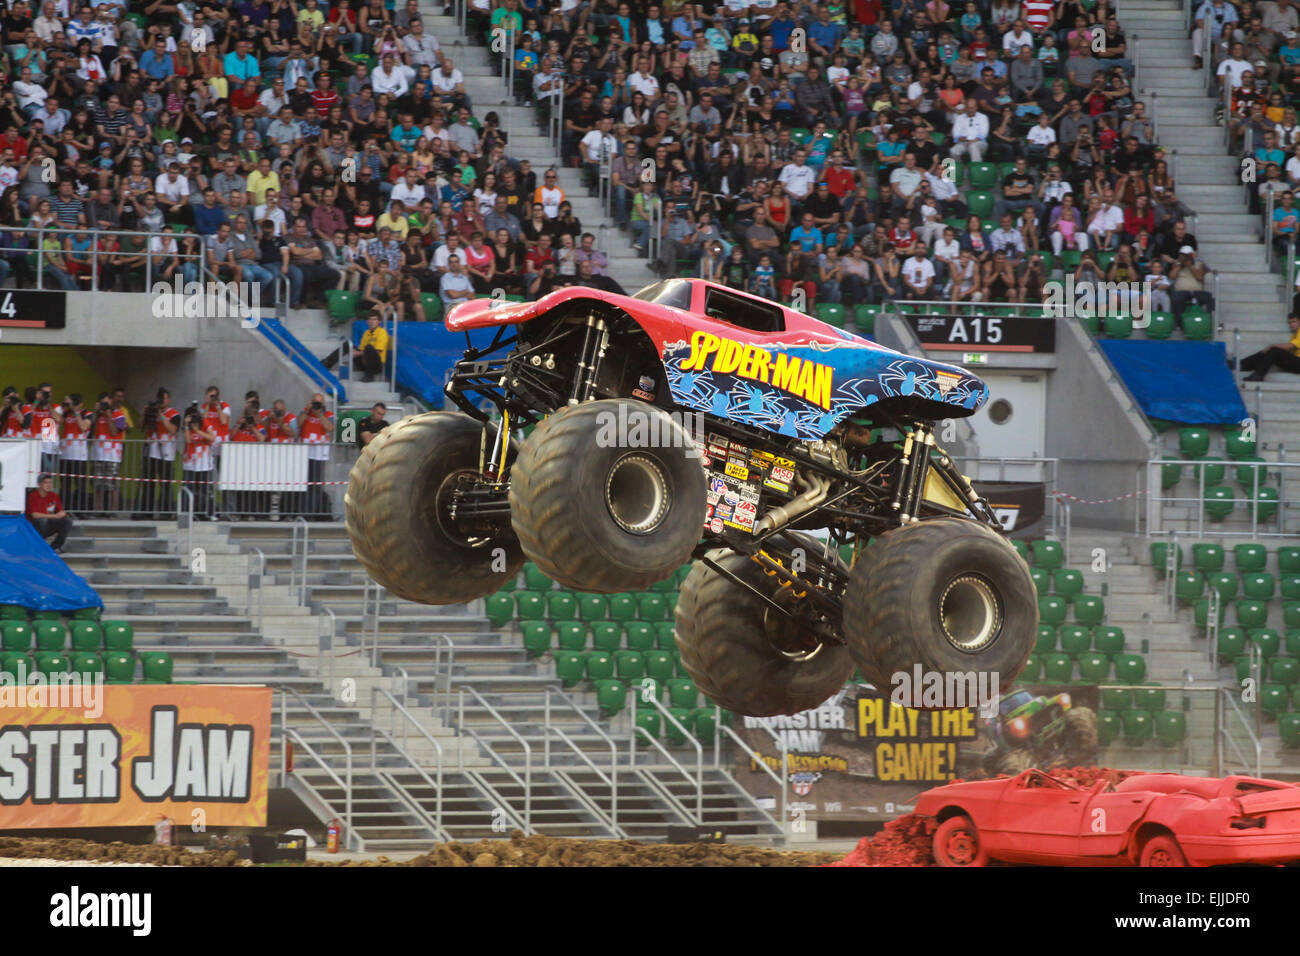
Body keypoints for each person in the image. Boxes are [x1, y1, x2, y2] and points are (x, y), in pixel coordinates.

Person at [1241, 314, 1300, 380]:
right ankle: (1243, 365)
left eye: (1294, 322)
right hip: (1296, 363)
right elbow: (1290, 350)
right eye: (1289, 322)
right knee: (1270, 352)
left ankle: (1258, 374)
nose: (1291, 324)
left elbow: (1290, 346)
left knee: (1274, 350)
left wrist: (1272, 346)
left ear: (1299, 322)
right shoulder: (1294, 335)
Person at [27, 473, 72, 553]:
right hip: (33, 527)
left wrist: (62, 513)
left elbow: (60, 511)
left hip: (48, 524)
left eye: (50, 482)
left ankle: (55, 546)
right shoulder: (33, 496)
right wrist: (55, 516)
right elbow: (35, 515)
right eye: (46, 483)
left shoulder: (54, 495)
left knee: (67, 520)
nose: (49, 485)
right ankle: (37, 546)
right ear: (39, 484)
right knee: (42, 520)